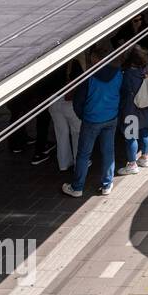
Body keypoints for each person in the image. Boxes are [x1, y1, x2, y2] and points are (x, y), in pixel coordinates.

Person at [62, 45, 123, 198]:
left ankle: (77, 187)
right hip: (111, 118)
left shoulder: (88, 78)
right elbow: (121, 93)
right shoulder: (118, 74)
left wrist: (84, 116)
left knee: (83, 154)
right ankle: (107, 184)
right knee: (108, 151)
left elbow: (78, 102)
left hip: (91, 120)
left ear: (94, 59)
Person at [118, 46, 148, 175]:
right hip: (146, 108)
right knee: (145, 132)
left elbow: (122, 91)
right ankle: (144, 158)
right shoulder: (146, 69)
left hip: (131, 110)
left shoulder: (127, 74)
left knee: (131, 137)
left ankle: (132, 164)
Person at [47, 54, 88, 174]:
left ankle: (63, 164)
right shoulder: (73, 63)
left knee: (61, 134)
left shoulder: (48, 64)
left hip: (53, 101)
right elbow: (80, 83)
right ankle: (78, 162)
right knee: (77, 132)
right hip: (69, 102)